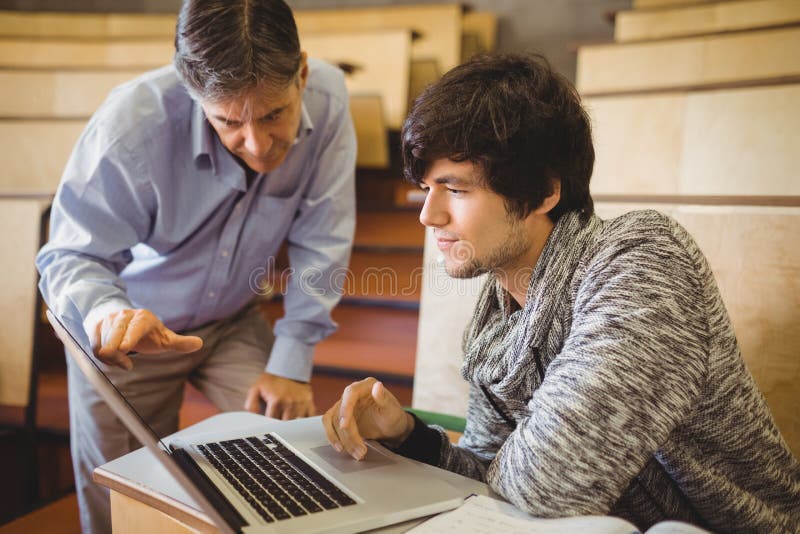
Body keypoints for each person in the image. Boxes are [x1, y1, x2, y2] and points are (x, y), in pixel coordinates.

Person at [322, 53, 800, 533]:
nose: (428, 215)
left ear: (543, 192)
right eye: (427, 188)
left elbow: (546, 488)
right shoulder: (497, 325)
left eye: (457, 189)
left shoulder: (643, 258)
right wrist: (407, 435)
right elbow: (490, 481)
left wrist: (502, 471)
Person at [36, 0, 356, 531]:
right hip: (133, 336)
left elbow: (323, 239)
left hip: (231, 322)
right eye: (229, 121)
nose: (257, 146)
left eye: (274, 114)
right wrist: (106, 316)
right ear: (193, 94)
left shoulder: (330, 100)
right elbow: (71, 255)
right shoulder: (130, 125)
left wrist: (292, 358)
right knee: (123, 501)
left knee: (290, 461)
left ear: (301, 72)